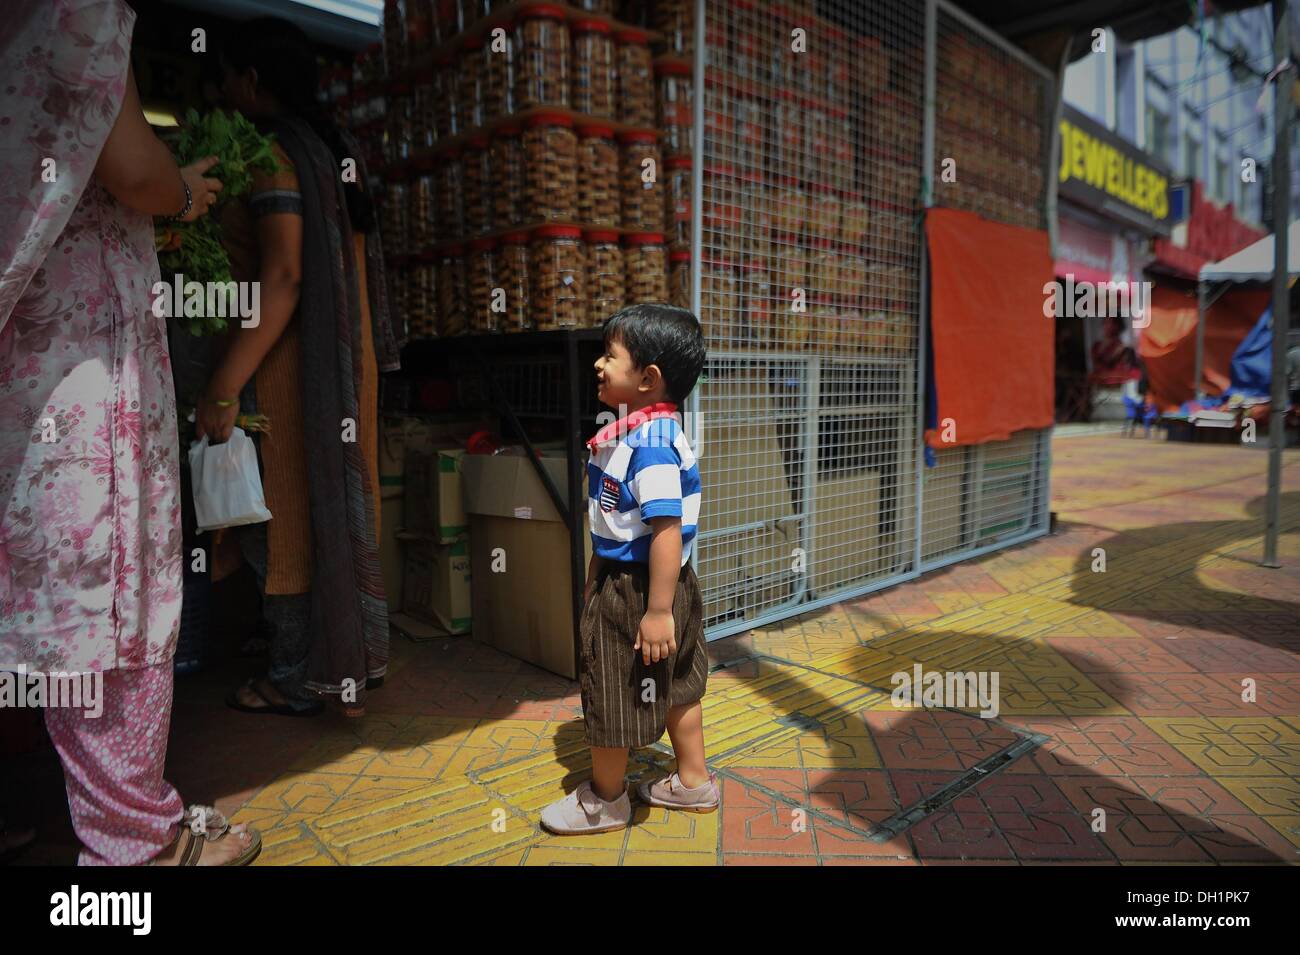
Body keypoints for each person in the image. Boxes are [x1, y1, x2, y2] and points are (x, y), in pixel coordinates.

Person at [1, 0, 258, 864]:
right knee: (106, 588)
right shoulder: (73, 8)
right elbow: (131, 164)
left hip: (25, 351)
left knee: (41, 582)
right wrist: (184, 189)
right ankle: (134, 844)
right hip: (78, 355)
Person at [198, 18, 400, 717]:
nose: (221, 91)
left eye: (225, 77)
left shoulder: (274, 157)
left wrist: (223, 385)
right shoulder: (332, 154)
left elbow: (283, 277)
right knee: (329, 513)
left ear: (252, 82)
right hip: (346, 367)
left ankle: (295, 675)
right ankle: (344, 661)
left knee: (279, 522)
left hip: (293, 370)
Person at [540, 305, 715, 835]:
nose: (598, 363)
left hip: (643, 592)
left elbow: (664, 529)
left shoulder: (651, 444)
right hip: (657, 585)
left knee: (612, 689)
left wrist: (657, 610)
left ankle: (606, 800)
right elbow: (616, 521)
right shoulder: (635, 435)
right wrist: (597, 570)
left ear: (647, 378)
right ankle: (692, 781)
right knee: (678, 685)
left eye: (609, 355)